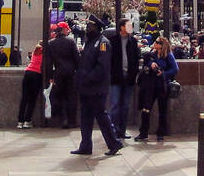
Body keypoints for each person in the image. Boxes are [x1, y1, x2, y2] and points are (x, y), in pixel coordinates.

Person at [72, 15, 121, 156]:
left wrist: (87, 78)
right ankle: (85, 145)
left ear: (97, 28)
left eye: (90, 26)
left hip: (97, 88)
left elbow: (102, 67)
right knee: (85, 117)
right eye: (87, 26)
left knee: (101, 116)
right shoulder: (89, 42)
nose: (87, 28)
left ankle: (114, 143)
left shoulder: (103, 43)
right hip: (86, 88)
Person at [134, 35, 178, 141]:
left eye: (157, 42)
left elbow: (175, 69)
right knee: (146, 108)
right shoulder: (151, 54)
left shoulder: (168, 56)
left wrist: (163, 73)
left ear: (161, 45)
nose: (155, 43)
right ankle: (143, 133)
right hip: (150, 85)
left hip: (162, 85)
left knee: (162, 109)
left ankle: (160, 133)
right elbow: (145, 63)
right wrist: (151, 65)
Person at [106, 17, 140, 139]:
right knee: (114, 105)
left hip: (129, 79)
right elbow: (108, 60)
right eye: (128, 25)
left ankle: (122, 130)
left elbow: (136, 60)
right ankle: (113, 131)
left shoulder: (133, 42)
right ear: (122, 27)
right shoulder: (112, 41)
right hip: (116, 78)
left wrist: (134, 74)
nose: (131, 27)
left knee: (125, 106)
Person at [45, 21, 79, 128]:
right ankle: (72, 121)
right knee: (71, 97)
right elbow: (77, 58)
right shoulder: (71, 41)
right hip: (71, 73)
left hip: (58, 74)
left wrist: (50, 77)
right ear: (64, 30)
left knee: (60, 97)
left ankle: (62, 119)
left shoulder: (51, 43)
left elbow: (49, 63)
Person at [17, 42, 44, 128]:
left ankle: (20, 121)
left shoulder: (34, 53)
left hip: (28, 72)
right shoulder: (44, 54)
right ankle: (27, 121)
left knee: (24, 98)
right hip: (36, 75)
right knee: (32, 99)